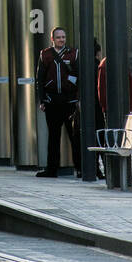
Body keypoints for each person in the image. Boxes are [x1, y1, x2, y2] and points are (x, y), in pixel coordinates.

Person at [36, 26, 81, 177]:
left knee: (74, 137)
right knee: (53, 137)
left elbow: (79, 76)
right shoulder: (45, 54)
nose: (61, 39)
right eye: (58, 37)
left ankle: (80, 168)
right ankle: (52, 169)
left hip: (69, 101)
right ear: (52, 39)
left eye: (63, 37)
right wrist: (42, 100)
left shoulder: (73, 54)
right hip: (52, 101)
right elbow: (40, 79)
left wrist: (77, 97)